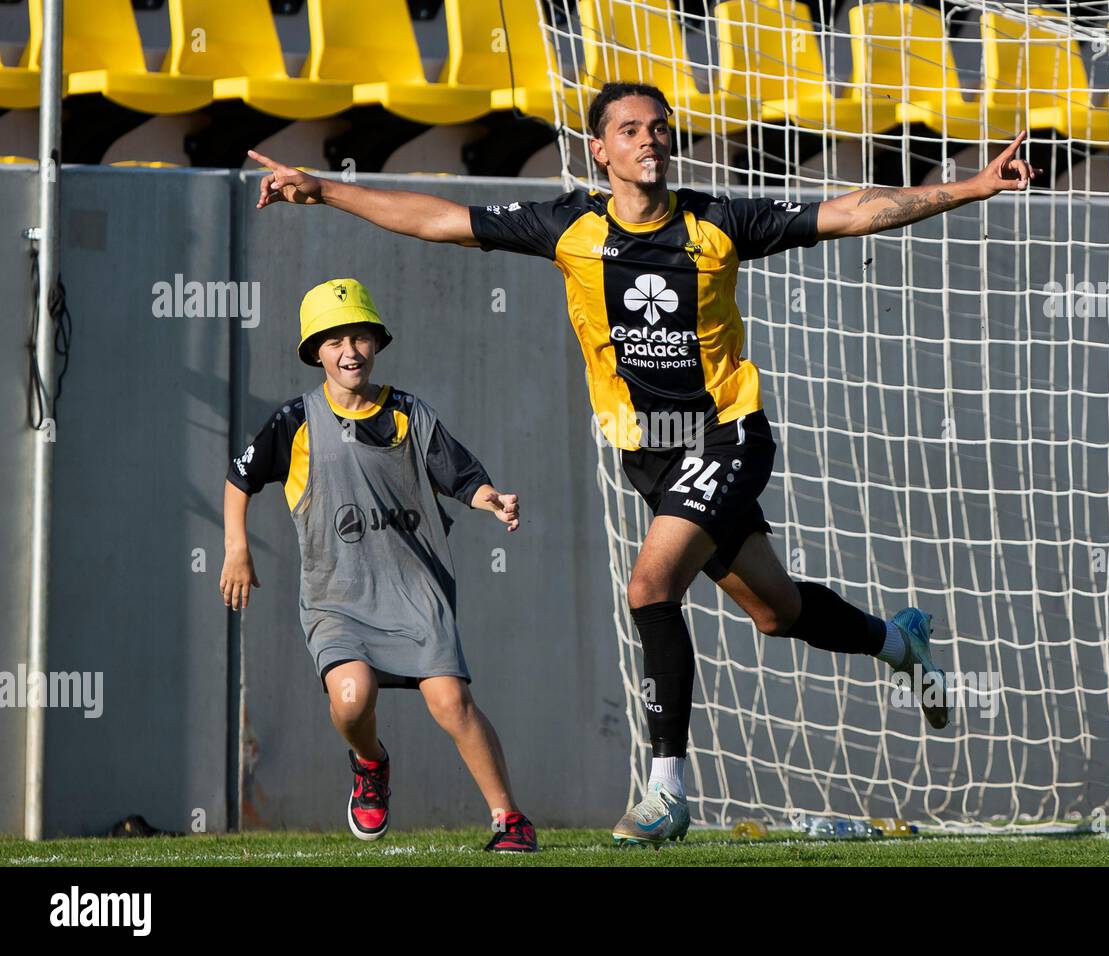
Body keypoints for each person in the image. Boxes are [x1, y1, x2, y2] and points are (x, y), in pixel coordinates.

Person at [246, 82, 1041, 847]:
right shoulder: (569, 229)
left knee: (648, 587)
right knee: (776, 611)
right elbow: (438, 219)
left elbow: (850, 212)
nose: (650, 139)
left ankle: (667, 791)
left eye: (659, 127)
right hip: (651, 457)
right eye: (630, 130)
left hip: (727, 437)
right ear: (600, 152)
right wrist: (325, 189)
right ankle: (899, 645)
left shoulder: (719, 222)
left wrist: (969, 187)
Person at [219, 277, 537, 852]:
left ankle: (509, 820)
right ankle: (371, 763)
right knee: (350, 697)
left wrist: (490, 499)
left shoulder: (411, 414)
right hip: (336, 597)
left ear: (377, 343)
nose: (350, 351)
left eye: (360, 337)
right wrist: (236, 549)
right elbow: (240, 478)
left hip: (415, 593)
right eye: (335, 339)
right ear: (315, 351)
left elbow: (462, 475)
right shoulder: (295, 421)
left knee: (452, 702)